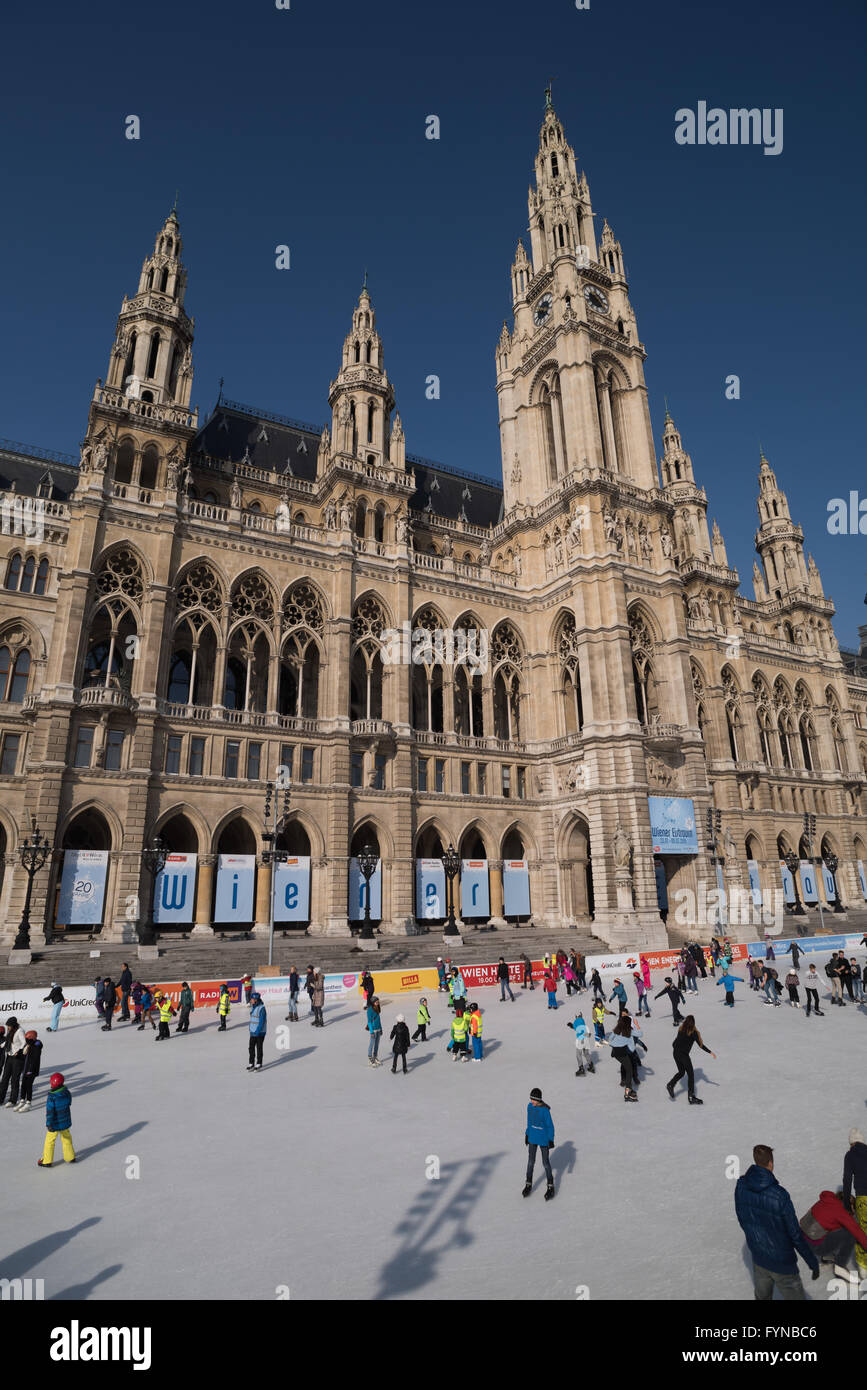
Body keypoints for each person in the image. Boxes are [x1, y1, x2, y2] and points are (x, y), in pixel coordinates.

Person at [734, 1144, 820, 1299]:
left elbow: (742, 1219)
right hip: (783, 1264)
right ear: (770, 1163)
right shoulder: (780, 1195)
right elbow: (795, 1234)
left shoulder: (741, 1186)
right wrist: (812, 1262)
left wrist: (756, 1240)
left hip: (759, 1258)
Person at [799, 1187, 867, 1283]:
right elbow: (857, 1231)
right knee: (850, 1233)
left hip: (803, 1239)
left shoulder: (826, 1201)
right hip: (816, 1246)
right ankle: (840, 1267)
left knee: (836, 1226)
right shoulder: (840, 1212)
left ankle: (826, 1256)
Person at [667, 1016, 715, 1105]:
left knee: (681, 1072)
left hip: (675, 1053)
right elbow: (701, 1045)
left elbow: (674, 1043)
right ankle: (691, 1097)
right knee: (691, 1075)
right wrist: (710, 1052)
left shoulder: (681, 1029)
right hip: (683, 1055)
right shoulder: (693, 1032)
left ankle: (671, 1084)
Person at [37, 1072, 76, 1168]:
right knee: (67, 1138)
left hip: (54, 1123)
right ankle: (70, 1157)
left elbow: (50, 1112)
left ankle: (47, 1160)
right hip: (65, 1121)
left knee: (50, 1141)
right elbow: (69, 1102)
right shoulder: (67, 1092)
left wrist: (49, 1124)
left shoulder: (52, 1097)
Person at [523, 1087, 555, 1200]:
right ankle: (528, 1183)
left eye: (533, 1099)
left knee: (545, 1163)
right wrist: (527, 1134)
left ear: (538, 1099)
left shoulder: (545, 1111)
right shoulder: (529, 1107)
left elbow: (550, 1126)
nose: (531, 1101)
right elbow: (529, 1121)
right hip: (532, 1138)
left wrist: (550, 1139)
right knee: (530, 1162)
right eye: (531, 1099)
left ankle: (550, 1185)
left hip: (543, 1140)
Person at [843, 1128, 867, 1279]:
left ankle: (863, 1267)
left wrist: (846, 1203)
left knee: (862, 1231)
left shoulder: (850, 1155)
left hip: (863, 1198)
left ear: (851, 1143)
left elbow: (847, 1180)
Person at [607, 1015, 640, 1102]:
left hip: (615, 1052)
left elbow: (610, 1039)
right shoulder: (629, 1032)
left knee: (627, 1067)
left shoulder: (617, 1029)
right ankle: (628, 1092)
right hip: (622, 1053)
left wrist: (616, 1043)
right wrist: (637, 1025)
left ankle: (627, 1087)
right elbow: (640, 1034)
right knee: (629, 1070)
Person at [0, 1017, 25, 1108]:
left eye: (9, 1026)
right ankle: (1, 1098)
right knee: (5, 1078)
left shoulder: (20, 1031)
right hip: (9, 1057)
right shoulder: (10, 1031)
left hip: (17, 1058)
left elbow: (24, 1043)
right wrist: (1, 1045)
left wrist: (19, 1052)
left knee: (14, 1079)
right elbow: (8, 1041)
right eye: (7, 1026)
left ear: (14, 1025)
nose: (8, 1027)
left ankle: (12, 1100)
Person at [16, 1030, 42, 1112]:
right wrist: (19, 1054)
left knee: (29, 1085)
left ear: (32, 1039)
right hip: (25, 1068)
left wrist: (30, 1070)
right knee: (23, 1085)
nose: (26, 1041)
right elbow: (24, 1056)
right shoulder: (28, 1045)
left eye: (27, 1039)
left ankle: (28, 1102)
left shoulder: (36, 1046)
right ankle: (22, 1100)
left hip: (32, 1070)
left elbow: (35, 1058)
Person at [567, 1011, 594, 1075]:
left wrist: (571, 1025)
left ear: (576, 1017)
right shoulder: (582, 1021)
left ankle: (581, 1069)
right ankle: (591, 1066)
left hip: (581, 1040)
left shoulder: (576, 1021)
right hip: (586, 1039)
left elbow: (576, 1028)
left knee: (578, 1054)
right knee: (586, 1053)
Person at [247, 992, 267, 1071]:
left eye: (251, 999)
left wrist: (258, 1031)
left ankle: (259, 1063)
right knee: (251, 1047)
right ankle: (251, 1063)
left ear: (255, 999)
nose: (250, 1000)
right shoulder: (254, 1007)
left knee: (259, 1047)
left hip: (260, 1032)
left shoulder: (262, 1008)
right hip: (253, 1032)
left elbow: (262, 1021)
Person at [366, 996, 383, 1066]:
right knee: (371, 1044)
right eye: (376, 1001)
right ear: (373, 1002)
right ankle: (370, 1058)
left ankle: (375, 1057)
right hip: (373, 1030)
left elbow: (378, 1020)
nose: (378, 1002)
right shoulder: (370, 1010)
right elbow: (369, 1022)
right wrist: (371, 1032)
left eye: (378, 1001)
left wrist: (381, 1029)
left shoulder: (377, 1008)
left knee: (377, 1044)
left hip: (378, 1029)